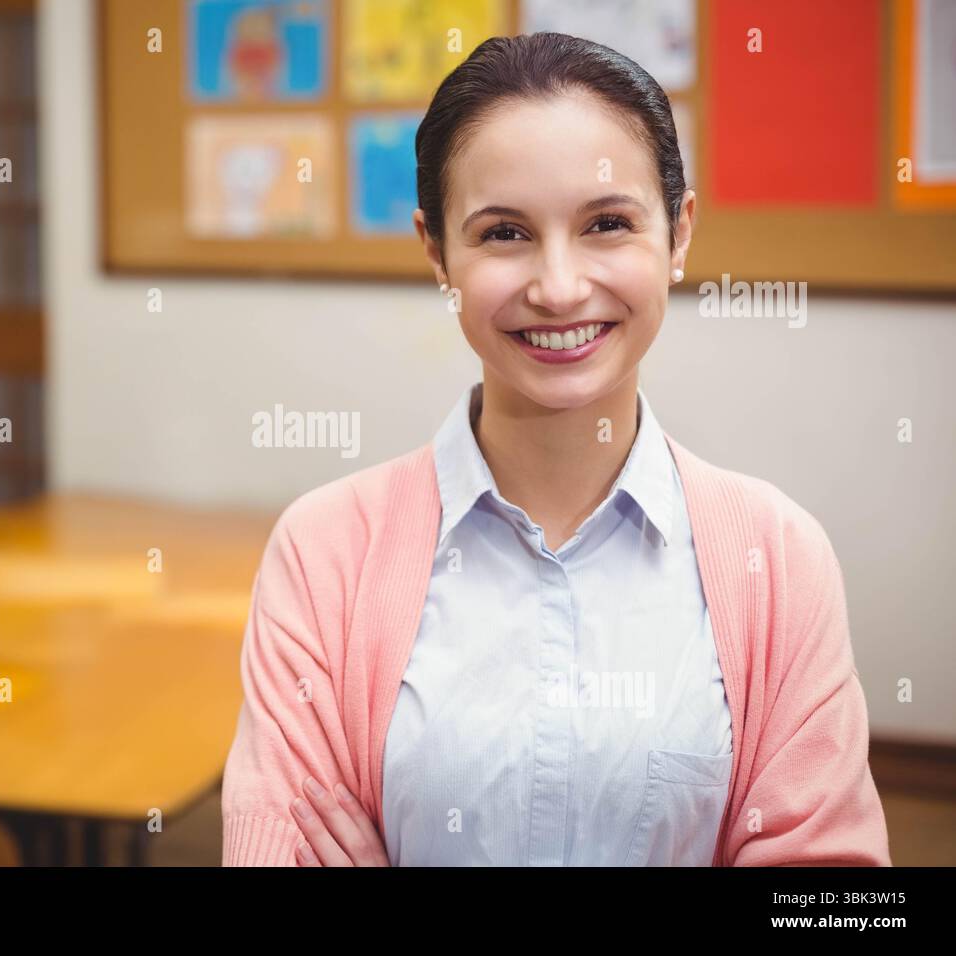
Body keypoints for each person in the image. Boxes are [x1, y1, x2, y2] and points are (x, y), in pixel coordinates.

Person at [220, 32, 890, 867]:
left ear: (678, 234)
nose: (560, 285)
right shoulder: (323, 553)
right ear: (437, 253)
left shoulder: (778, 558)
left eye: (607, 223)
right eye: (504, 234)